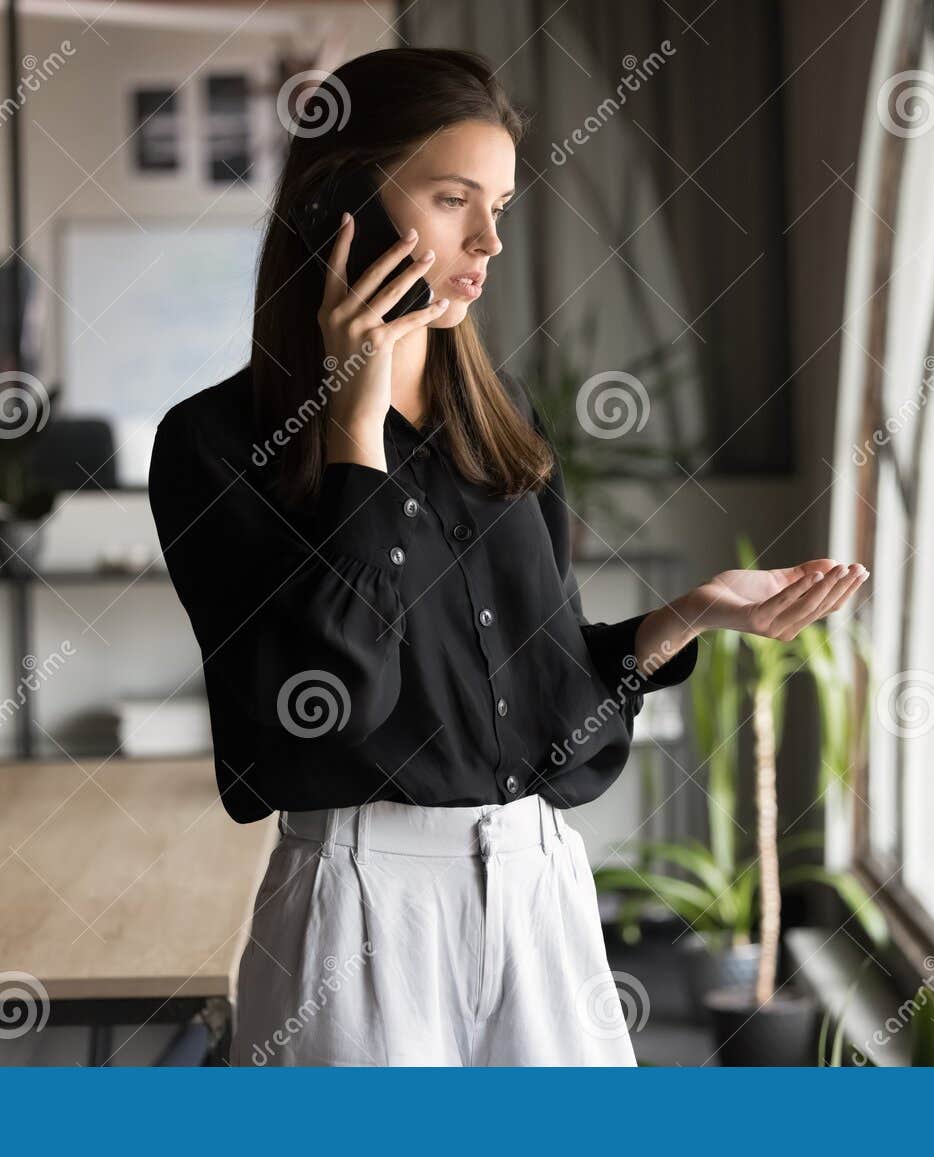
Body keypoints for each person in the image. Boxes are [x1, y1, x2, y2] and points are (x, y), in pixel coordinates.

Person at [147, 46, 867, 1066]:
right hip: (361, 910)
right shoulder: (215, 444)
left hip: (536, 888)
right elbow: (322, 714)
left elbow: (542, 711)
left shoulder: (501, 421)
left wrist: (688, 616)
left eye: (500, 204)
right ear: (338, 202)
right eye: (452, 199)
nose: (487, 237)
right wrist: (356, 434)